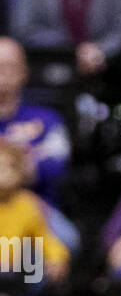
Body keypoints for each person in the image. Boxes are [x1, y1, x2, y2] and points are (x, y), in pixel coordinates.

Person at [0, 36, 71, 204]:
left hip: (38, 209)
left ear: (24, 72)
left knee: (66, 232)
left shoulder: (47, 119)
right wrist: (25, 157)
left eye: (9, 67)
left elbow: (56, 165)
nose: (2, 74)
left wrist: (13, 169)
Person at [0, 138, 69, 283]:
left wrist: (57, 258)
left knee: (36, 268)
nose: (3, 173)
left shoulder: (27, 204)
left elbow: (44, 238)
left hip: (15, 277)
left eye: (9, 166)